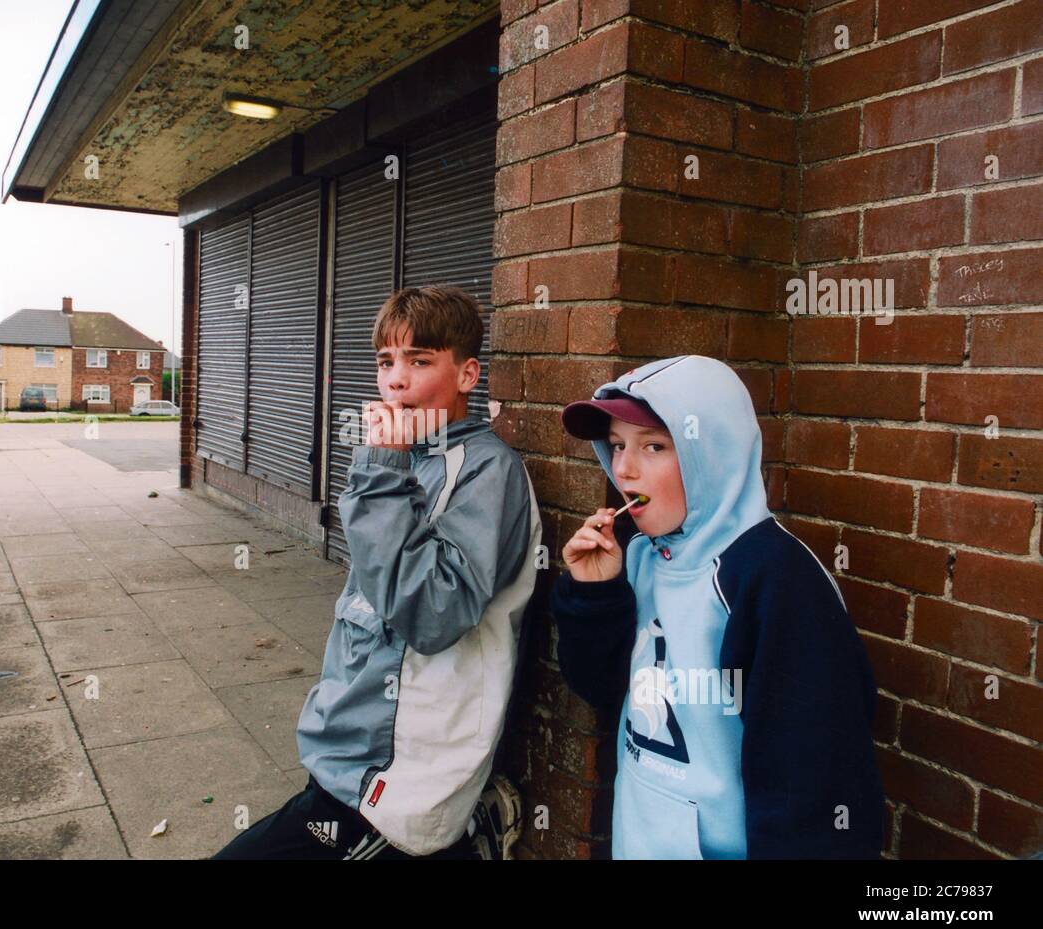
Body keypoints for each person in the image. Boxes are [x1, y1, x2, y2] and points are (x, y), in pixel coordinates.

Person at [213, 286, 540, 860]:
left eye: (419, 361)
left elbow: (435, 613)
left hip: (396, 781)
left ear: (467, 375)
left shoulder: (489, 472)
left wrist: (380, 470)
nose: (396, 380)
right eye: (386, 361)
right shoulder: (408, 457)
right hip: (345, 754)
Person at [551, 354, 884, 859]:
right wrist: (594, 594)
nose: (624, 467)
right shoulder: (636, 553)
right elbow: (601, 687)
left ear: (714, 454)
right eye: (617, 446)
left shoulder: (776, 581)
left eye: (654, 446)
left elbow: (816, 796)